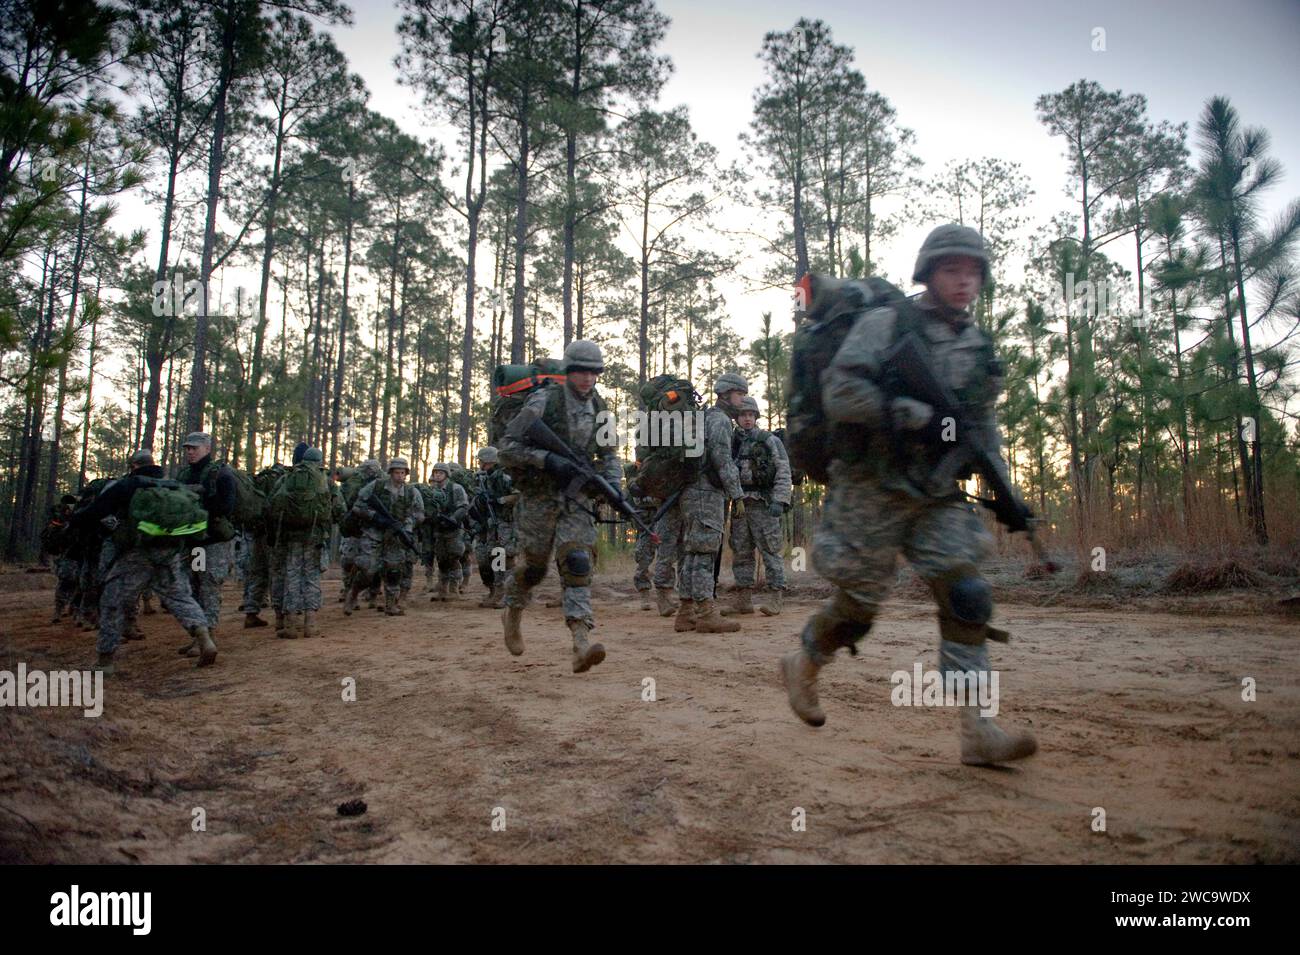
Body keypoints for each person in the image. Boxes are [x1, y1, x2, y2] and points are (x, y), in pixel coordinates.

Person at [779, 224, 1038, 767]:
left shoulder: (978, 345)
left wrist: (1005, 490)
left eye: (972, 272)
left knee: (967, 594)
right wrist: (901, 413)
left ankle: (977, 730)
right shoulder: (884, 324)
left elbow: (980, 426)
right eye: (952, 270)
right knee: (859, 608)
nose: (964, 281)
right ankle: (803, 660)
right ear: (928, 273)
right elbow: (841, 391)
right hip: (869, 485)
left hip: (935, 489)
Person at [497, 339, 621, 673]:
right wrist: (547, 459)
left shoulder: (600, 407)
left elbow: (609, 455)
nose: (587, 379)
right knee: (534, 569)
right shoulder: (543, 401)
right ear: (569, 370)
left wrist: (614, 489)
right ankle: (513, 609)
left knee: (578, 563)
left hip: (576, 498)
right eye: (581, 371)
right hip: (539, 497)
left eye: (594, 372)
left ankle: (581, 642)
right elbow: (506, 448)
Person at [69, 459, 213, 673]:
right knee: (179, 596)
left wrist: (75, 518)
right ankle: (204, 637)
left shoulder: (127, 485)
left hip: (137, 554)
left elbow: (95, 511)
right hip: (170, 551)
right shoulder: (171, 485)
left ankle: (105, 661)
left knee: (113, 599)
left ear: (135, 467)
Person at [661, 372, 746, 634]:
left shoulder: (707, 416)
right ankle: (706, 613)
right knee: (704, 552)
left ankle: (686, 613)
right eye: (739, 394)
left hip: (692, 491)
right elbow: (722, 459)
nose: (742, 400)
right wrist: (737, 493)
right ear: (726, 394)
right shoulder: (719, 420)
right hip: (705, 493)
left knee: (692, 551)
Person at [723, 395, 792, 616]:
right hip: (740, 504)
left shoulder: (769, 440)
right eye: (743, 415)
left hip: (763, 504)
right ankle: (743, 599)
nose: (747, 419)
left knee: (770, 550)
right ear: (737, 418)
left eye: (751, 415)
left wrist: (780, 500)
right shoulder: (730, 441)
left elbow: (783, 470)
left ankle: (775, 596)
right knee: (741, 552)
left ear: (756, 417)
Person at [268, 447, 343, 638]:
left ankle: (290, 624)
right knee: (312, 578)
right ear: (319, 461)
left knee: (291, 577)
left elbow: (271, 505)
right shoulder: (326, 481)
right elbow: (340, 509)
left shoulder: (287, 477)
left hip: (290, 538)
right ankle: (310, 623)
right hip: (315, 537)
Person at [176, 433, 237, 635]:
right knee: (195, 583)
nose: (190, 452)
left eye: (195, 448)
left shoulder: (221, 474)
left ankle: (208, 635)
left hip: (214, 541)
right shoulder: (185, 475)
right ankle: (199, 635)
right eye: (188, 449)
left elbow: (227, 507)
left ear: (207, 449)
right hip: (194, 543)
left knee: (209, 585)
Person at [346, 457, 424, 616]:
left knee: (394, 570)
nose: (400, 476)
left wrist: (406, 526)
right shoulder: (377, 486)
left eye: (403, 473)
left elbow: (420, 515)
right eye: (396, 472)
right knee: (368, 569)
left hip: (396, 536)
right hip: (373, 533)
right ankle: (353, 595)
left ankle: (391, 604)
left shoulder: (411, 492)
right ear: (390, 473)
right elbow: (358, 507)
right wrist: (376, 517)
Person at [426, 462, 469, 602]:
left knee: (454, 558)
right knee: (442, 559)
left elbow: (463, 506)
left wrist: (452, 519)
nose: (437, 475)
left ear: (446, 474)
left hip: (453, 530)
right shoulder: (432, 490)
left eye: (440, 472)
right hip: (439, 530)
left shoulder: (456, 488)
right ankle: (443, 589)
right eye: (435, 473)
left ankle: (454, 589)